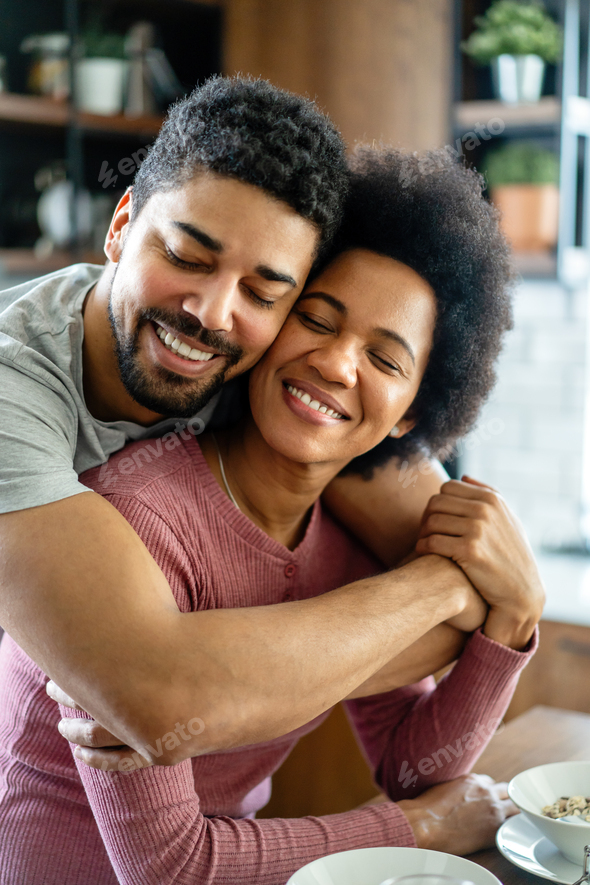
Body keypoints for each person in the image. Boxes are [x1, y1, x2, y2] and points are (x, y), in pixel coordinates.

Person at [0, 147, 542, 884]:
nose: (337, 364)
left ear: (410, 414)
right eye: (317, 319)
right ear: (274, 325)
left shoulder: (346, 537)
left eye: (385, 361)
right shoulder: (134, 523)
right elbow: (168, 867)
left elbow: (415, 765)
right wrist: (419, 828)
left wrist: (513, 622)